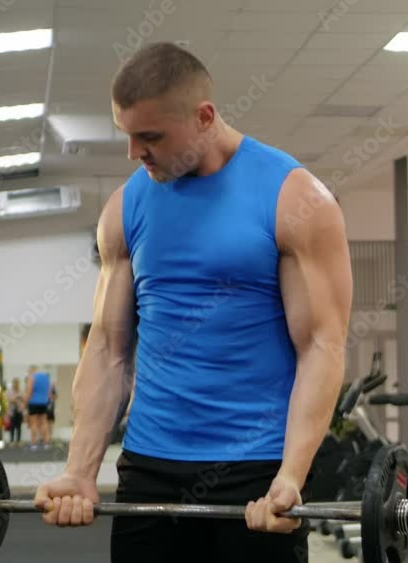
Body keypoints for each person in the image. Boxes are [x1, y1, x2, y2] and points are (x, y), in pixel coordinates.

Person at [33, 42, 353, 563]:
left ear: (204, 117)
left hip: (256, 472)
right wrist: (79, 471)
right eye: (128, 135)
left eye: (150, 136)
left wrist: (292, 474)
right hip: (149, 465)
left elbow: (322, 344)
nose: (134, 153)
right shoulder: (126, 206)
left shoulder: (294, 198)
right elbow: (108, 350)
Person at [25, 367, 53, 451]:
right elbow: (49, 392)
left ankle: (34, 444)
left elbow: (29, 391)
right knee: (44, 423)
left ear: (31, 371)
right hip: (43, 403)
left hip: (33, 402)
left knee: (34, 423)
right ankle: (46, 443)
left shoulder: (32, 377)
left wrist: (25, 402)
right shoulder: (46, 378)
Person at [5, 378, 25, 447]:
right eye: (15, 383)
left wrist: (19, 398)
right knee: (12, 427)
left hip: (19, 411)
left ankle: (18, 441)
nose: (16, 384)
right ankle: (11, 441)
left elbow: (24, 399)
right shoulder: (9, 391)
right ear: (13, 383)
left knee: (19, 427)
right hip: (12, 411)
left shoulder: (21, 391)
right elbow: (8, 399)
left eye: (17, 383)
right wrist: (16, 398)